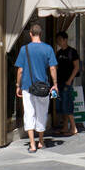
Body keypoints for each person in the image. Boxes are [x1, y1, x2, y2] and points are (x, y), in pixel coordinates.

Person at [14, 23, 58, 153]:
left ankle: (32, 144)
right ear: (41, 34)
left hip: (27, 87)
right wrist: (55, 84)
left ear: (30, 34)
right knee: (41, 113)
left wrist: (18, 85)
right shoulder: (48, 49)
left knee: (29, 113)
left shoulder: (24, 49)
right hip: (43, 88)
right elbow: (52, 68)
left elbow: (20, 70)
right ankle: (41, 141)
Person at [53, 30, 80, 136]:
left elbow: (76, 67)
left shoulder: (72, 52)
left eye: (60, 40)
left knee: (67, 103)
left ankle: (73, 127)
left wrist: (70, 80)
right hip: (58, 83)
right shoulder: (58, 53)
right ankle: (65, 127)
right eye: (57, 40)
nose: (58, 42)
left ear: (65, 40)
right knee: (60, 104)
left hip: (67, 83)